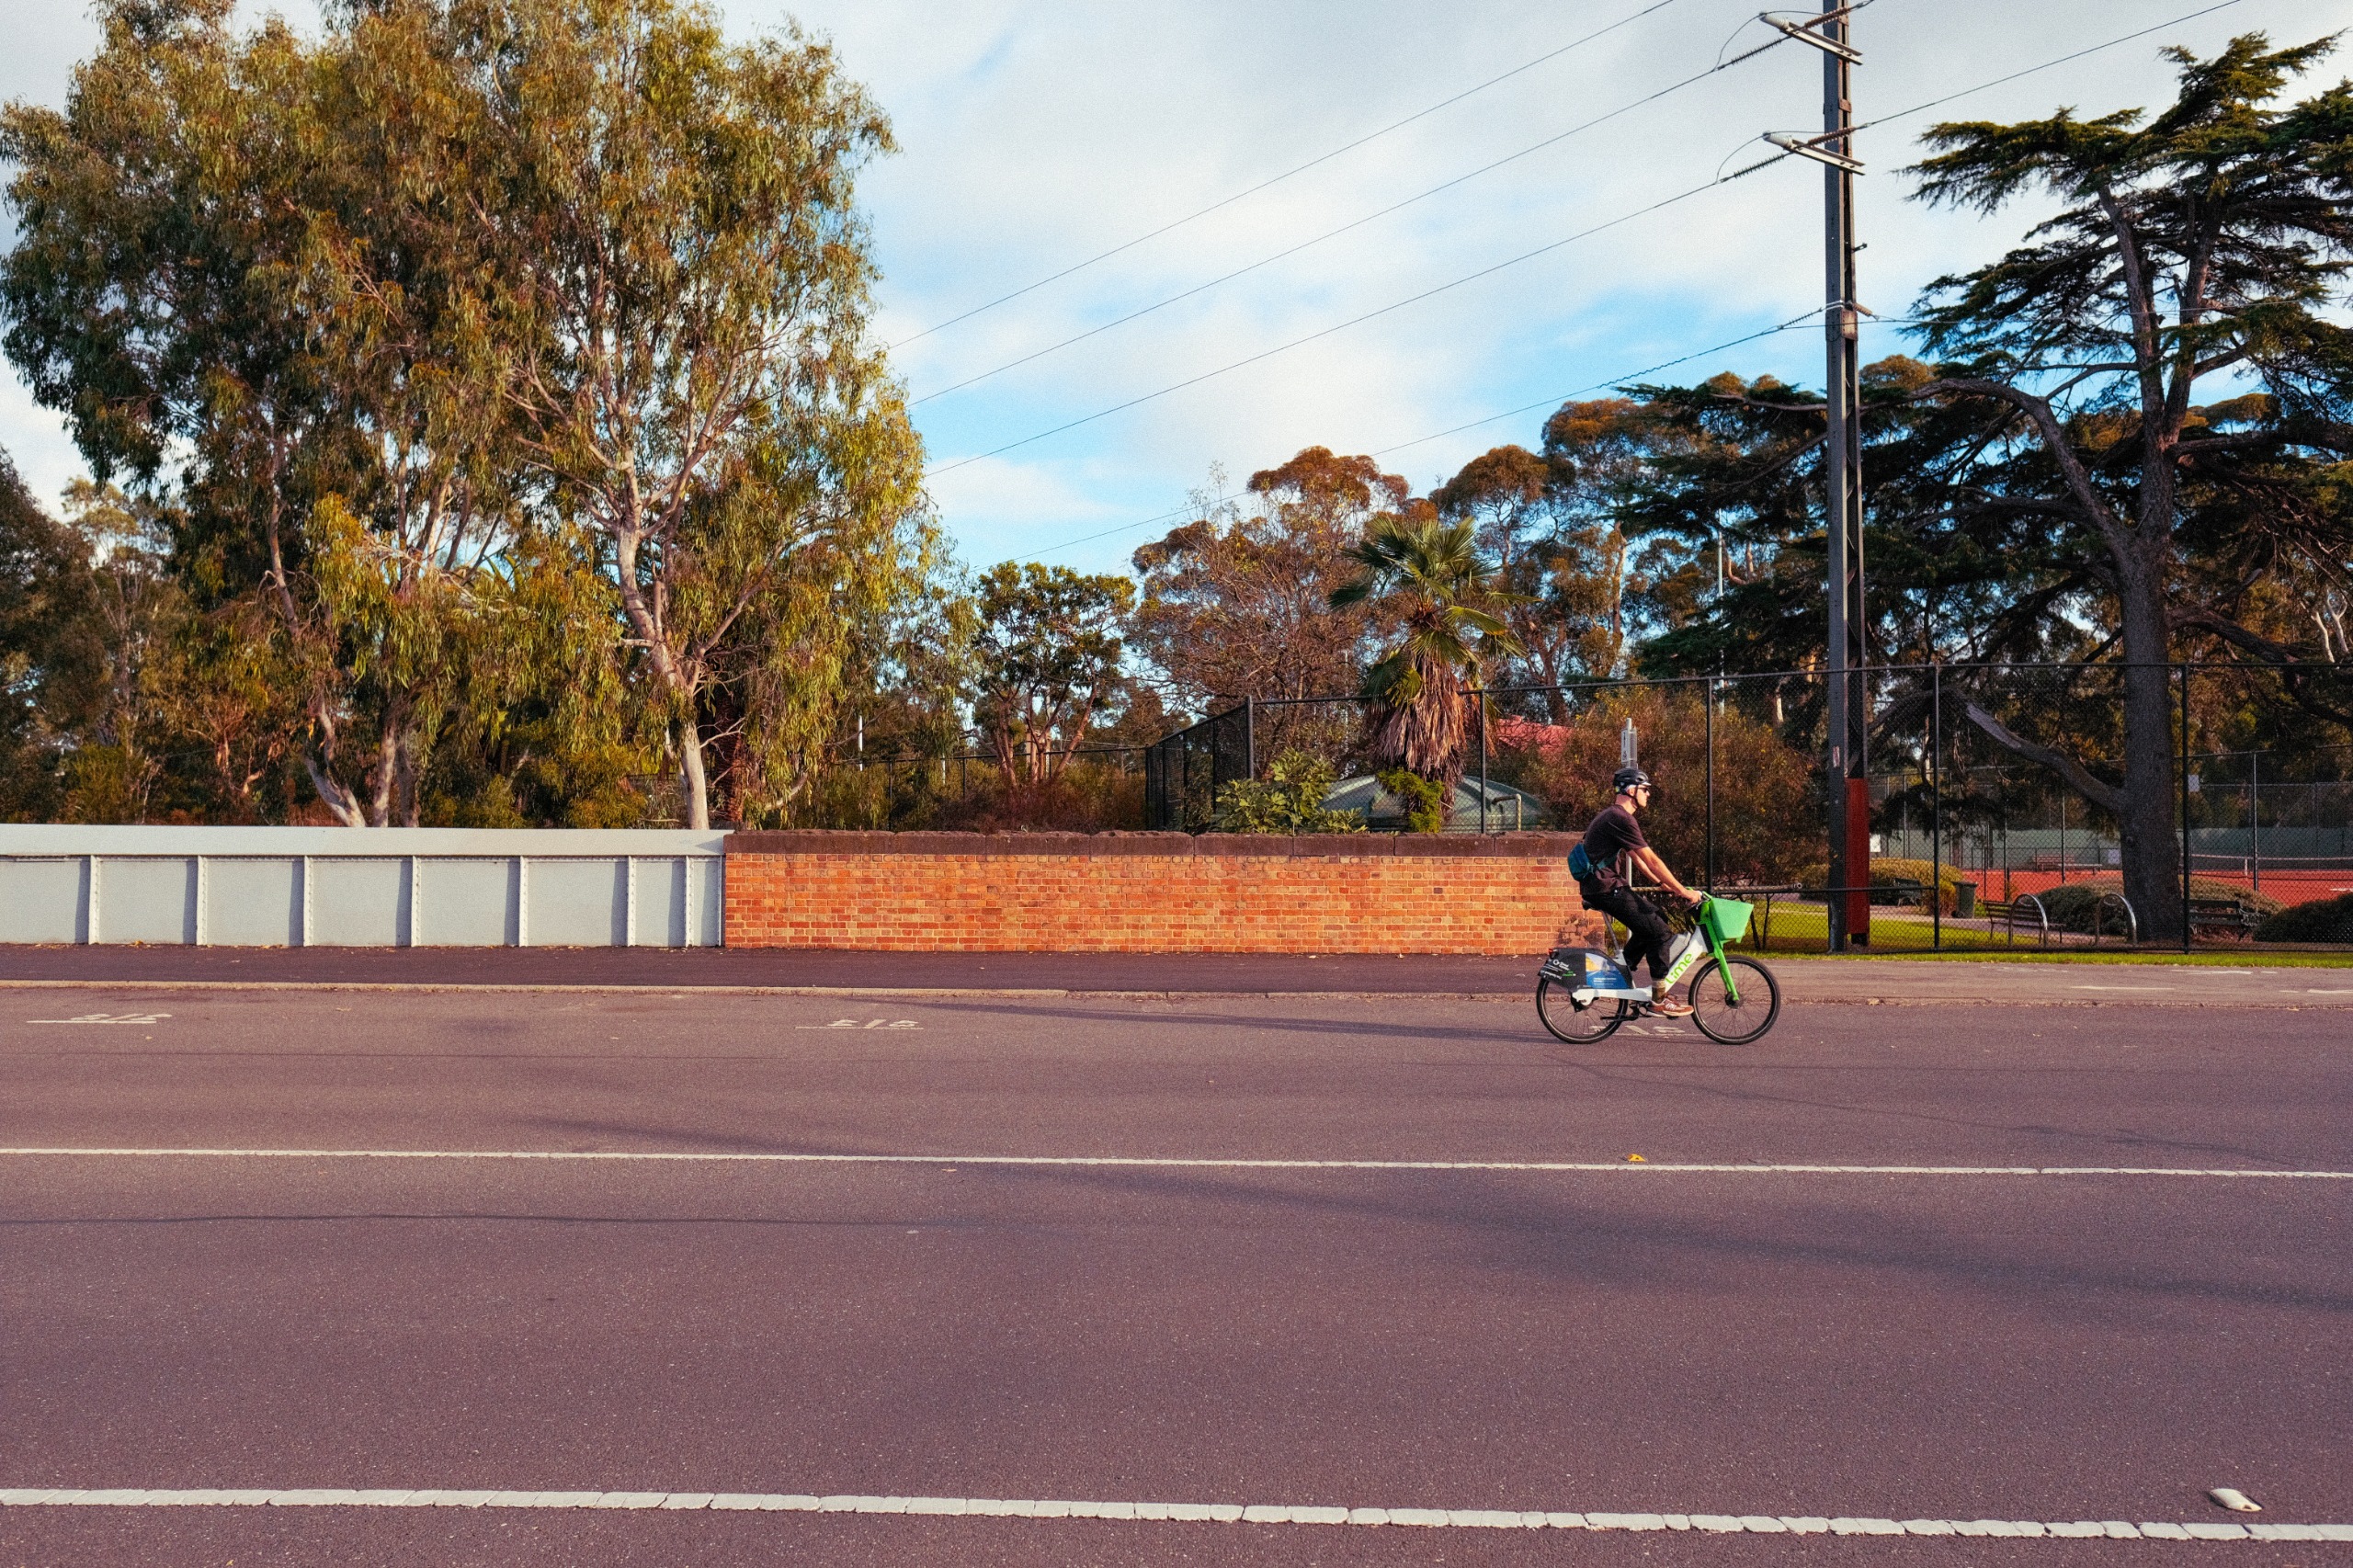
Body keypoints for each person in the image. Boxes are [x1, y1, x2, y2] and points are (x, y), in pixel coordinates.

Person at [1576, 767, 1702, 1017]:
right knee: (1660, 932)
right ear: (1631, 790)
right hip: (1605, 888)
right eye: (1645, 790)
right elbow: (1651, 858)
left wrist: (1661, 884)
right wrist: (1683, 891)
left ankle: (1621, 969)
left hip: (1604, 886)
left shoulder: (1615, 816)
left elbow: (1638, 858)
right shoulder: (1620, 817)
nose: (1648, 795)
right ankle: (1658, 1000)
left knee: (1656, 920)